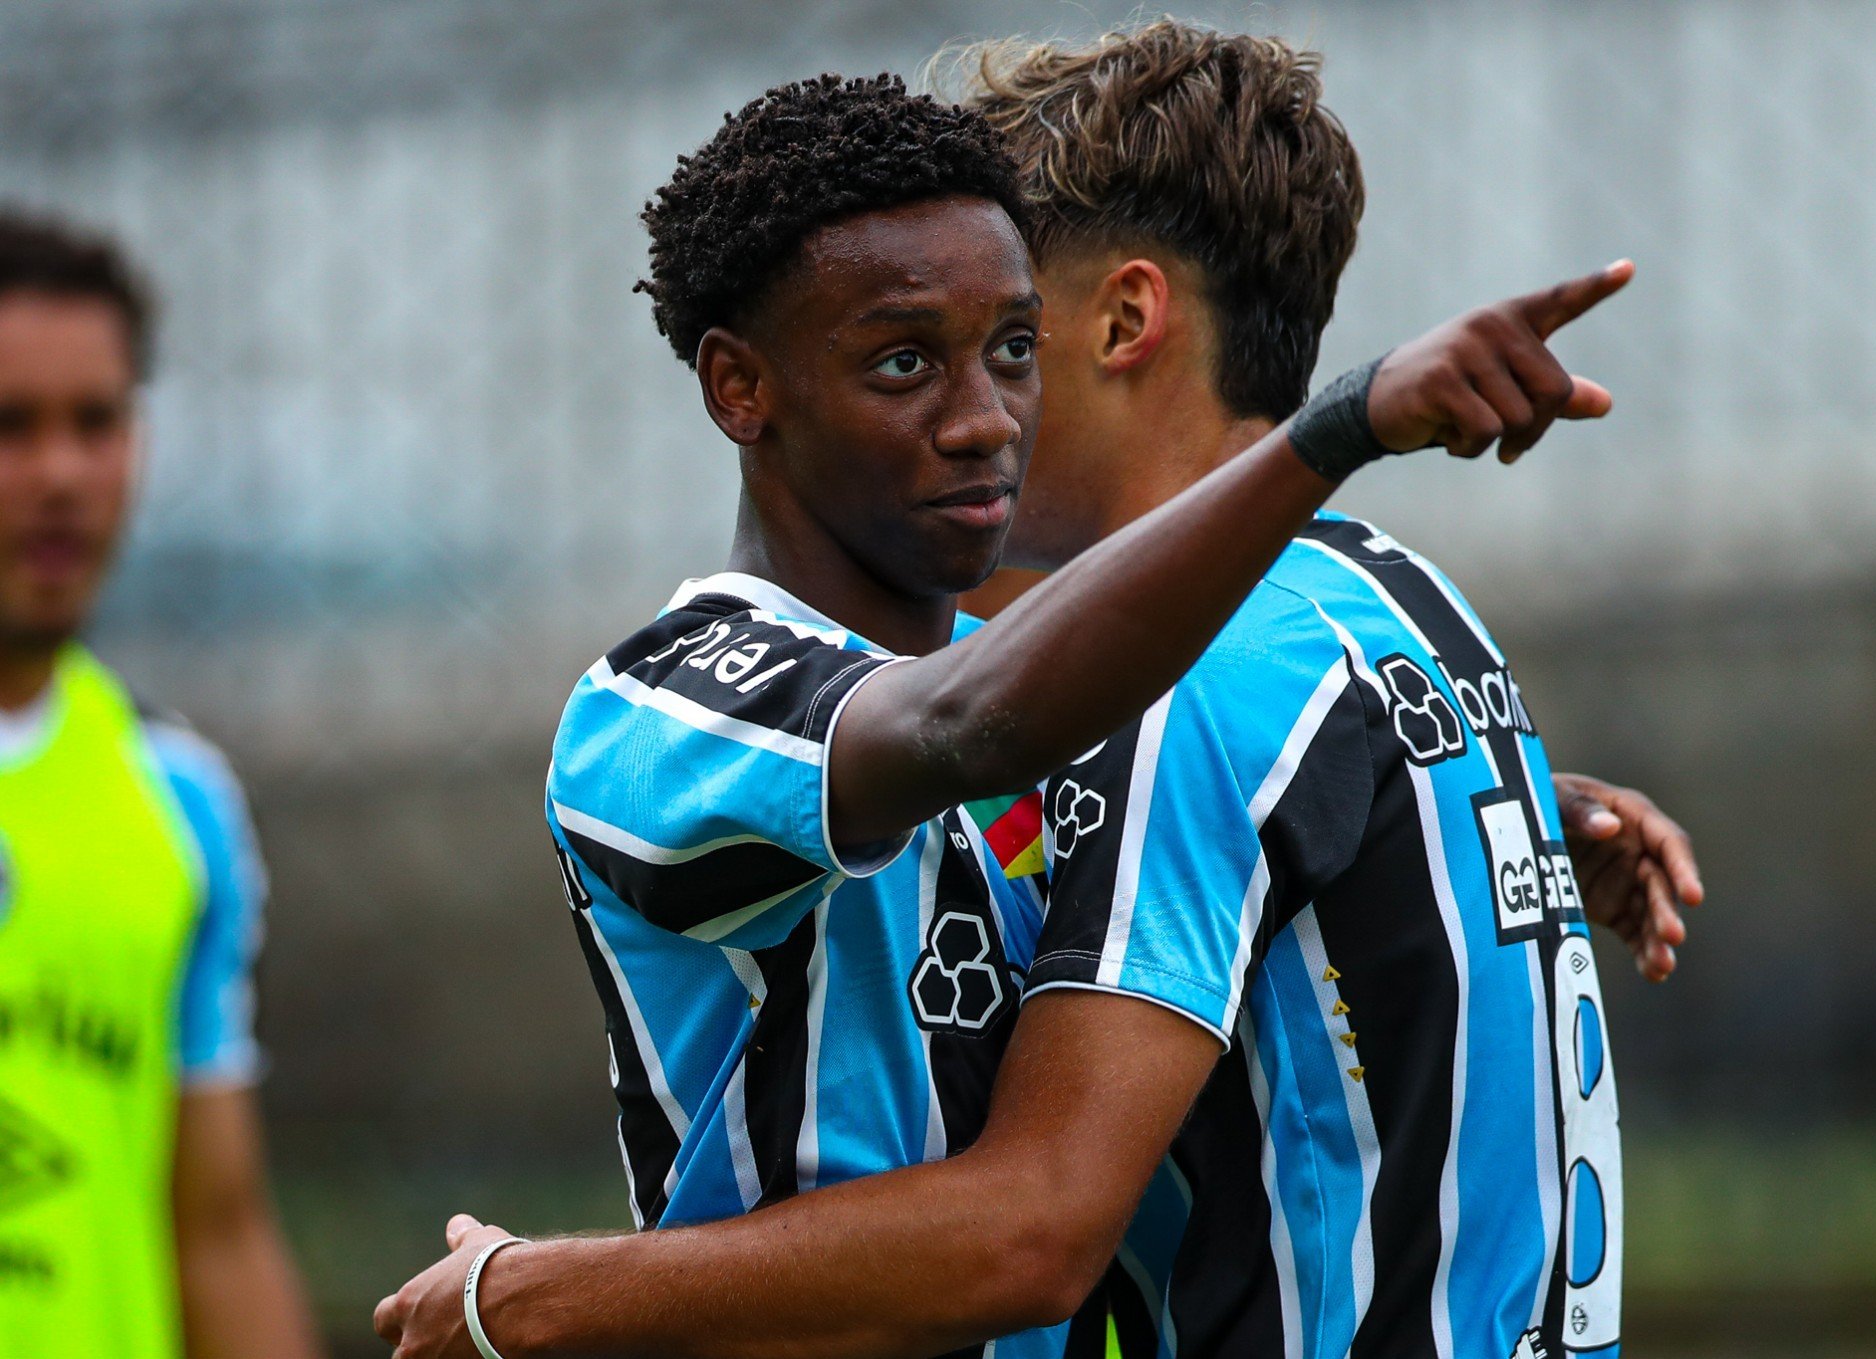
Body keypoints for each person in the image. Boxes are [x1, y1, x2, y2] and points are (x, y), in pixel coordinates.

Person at [377, 53, 1681, 1359]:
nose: (984, 418)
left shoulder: (1175, 679)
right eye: (903, 362)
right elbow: (972, 731)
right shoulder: (670, 702)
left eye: (1012, 347)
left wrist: (1409, 839)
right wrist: (527, 1298)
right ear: (742, 388)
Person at [0, 211, 323, 1357]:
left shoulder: (177, 804)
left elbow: (219, 1234)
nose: (60, 475)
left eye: (96, 423)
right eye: (10, 427)